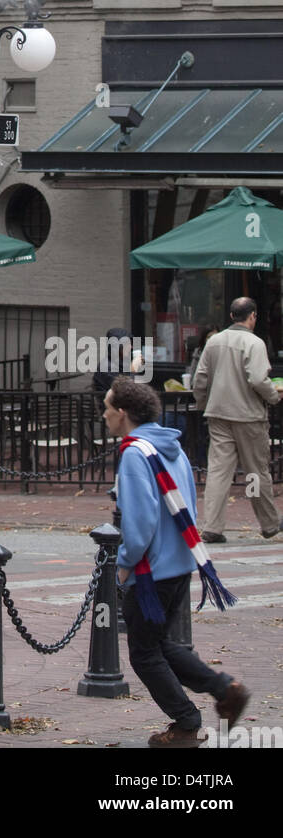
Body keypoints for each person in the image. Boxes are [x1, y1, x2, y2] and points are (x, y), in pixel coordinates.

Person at [104, 376, 248, 748]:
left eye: (106, 408)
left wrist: (124, 562)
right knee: (160, 644)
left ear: (122, 413)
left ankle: (186, 723)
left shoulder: (135, 453)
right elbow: (189, 505)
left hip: (150, 574)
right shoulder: (173, 448)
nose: (103, 415)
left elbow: (140, 522)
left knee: (143, 653)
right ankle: (225, 690)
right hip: (181, 564)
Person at [192, 297, 281, 544]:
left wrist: (203, 405)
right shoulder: (255, 343)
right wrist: (273, 397)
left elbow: (199, 379)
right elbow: (258, 380)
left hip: (218, 414)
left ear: (231, 316)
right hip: (249, 415)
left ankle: (212, 526)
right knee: (255, 472)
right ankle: (268, 523)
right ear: (252, 316)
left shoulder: (214, 342)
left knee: (219, 471)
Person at [92, 328, 134, 393]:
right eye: (127, 344)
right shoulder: (107, 367)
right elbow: (126, 389)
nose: (131, 347)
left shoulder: (120, 363)